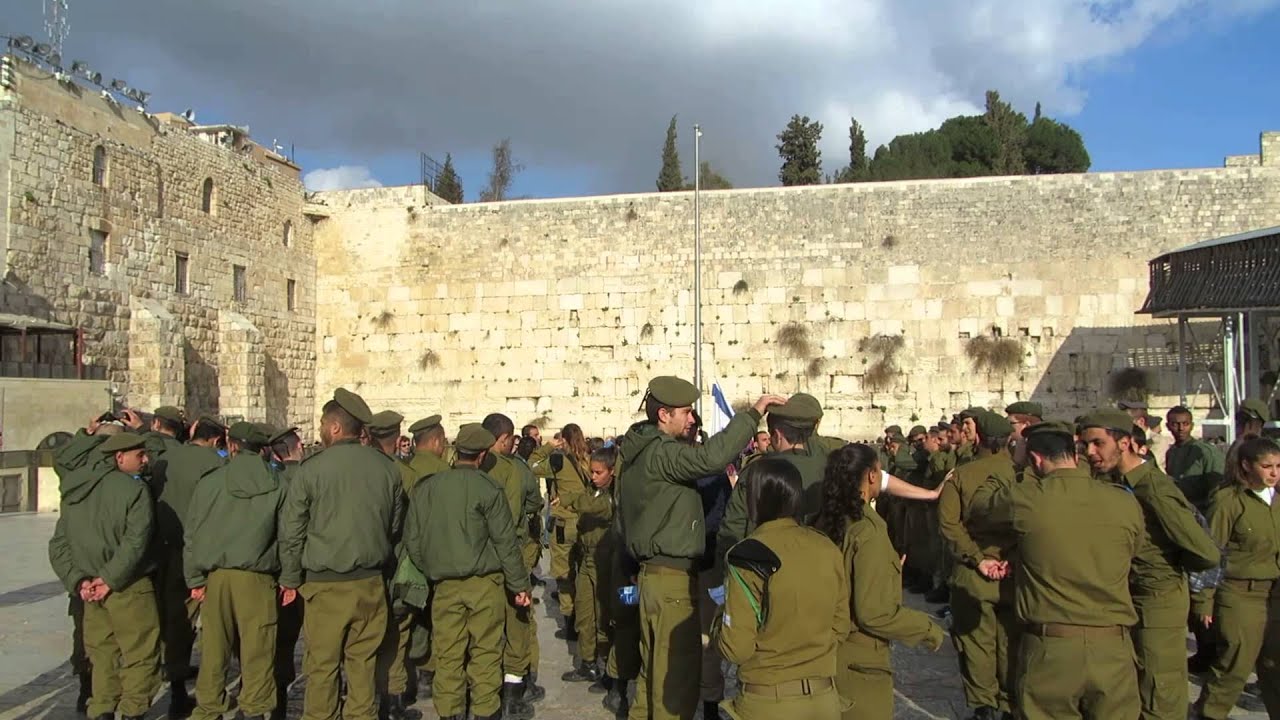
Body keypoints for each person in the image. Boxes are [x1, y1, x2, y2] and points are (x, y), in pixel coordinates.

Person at [618, 376, 786, 720]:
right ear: (664, 415)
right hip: (672, 582)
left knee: (652, 678)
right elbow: (712, 458)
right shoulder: (662, 453)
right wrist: (753, 414)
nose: (693, 418)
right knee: (675, 684)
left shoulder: (637, 453)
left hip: (652, 579)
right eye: (686, 412)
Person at [967, 420, 1144, 719]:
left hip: (1053, 647)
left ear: (1034, 459)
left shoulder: (1026, 499)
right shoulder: (1123, 501)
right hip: (1114, 647)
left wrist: (1013, 466)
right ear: (1076, 455)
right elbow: (1133, 550)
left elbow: (981, 508)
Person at [1080, 409, 1220, 720]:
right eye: (1085, 445)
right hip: (1131, 596)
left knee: (1160, 694)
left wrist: (1165, 569)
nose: (1090, 452)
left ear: (1126, 443)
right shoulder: (1116, 482)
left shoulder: (1153, 488)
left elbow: (1205, 552)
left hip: (1158, 601)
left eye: (1097, 443)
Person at [278, 388, 405, 720]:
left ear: (334, 428)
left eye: (322, 422)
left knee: (322, 668)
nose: (320, 428)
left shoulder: (311, 469)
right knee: (362, 667)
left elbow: (292, 531)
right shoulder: (387, 468)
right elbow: (394, 526)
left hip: (325, 586)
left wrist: (290, 577)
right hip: (370, 584)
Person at [404, 424, 532, 720]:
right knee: (486, 654)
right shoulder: (488, 488)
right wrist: (519, 585)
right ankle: (485, 711)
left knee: (448, 656)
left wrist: (432, 567)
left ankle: (450, 713)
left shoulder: (429, 488)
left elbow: (413, 540)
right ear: (483, 454)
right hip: (485, 584)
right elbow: (505, 543)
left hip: (445, 585)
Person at [812, 444, 945, 720]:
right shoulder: (868, 531)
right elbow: (875, 613)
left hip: (825, 652)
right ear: (872, 475)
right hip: (859, 662)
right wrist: (927, 628)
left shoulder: (824, 520)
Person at [714, 457, 848, 719]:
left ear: (755, 499)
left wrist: (718, 619)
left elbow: (736, 647)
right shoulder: (827, 548)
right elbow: (840, 626)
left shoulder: (747, 555)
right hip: (823, 700)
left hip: (768, 701)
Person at [48, 431, 162, 720]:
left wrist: (79, 580)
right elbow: (135, 542)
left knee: (102, 656)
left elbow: (59, 544)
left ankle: (101, 710)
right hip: (128, 586)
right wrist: (110, 579)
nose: (145, 460)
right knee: (140, 653)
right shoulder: (133, 490)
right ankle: (133, 711)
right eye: (139, 455)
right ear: (119, 457)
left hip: (90, 590)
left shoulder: (74, 491)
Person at [183, 422, 286, 720]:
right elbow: (288, 536)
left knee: (214, 650)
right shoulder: (278, 483)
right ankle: (253, 710)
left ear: (232, 445)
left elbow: (192, 534)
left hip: (216, 577)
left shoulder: (210, 482)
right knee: (258, 648)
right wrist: (289, 577)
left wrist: (195, 578)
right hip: (259, 578)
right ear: (262, 449)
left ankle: (208, 708)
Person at [937, 409, 1018, 720]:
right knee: (1010, 639)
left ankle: (984, 705)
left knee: (975, 642)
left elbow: (949, 525)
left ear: (980, 437)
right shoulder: (1021, 474)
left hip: (973, 573)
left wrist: (977, 558)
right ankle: (1010, 704)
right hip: (1012, 572)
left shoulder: (962, 475)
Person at [1191, 437, 1280, 719]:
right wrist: (1204, 601)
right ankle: (1209, 714)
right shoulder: (1228, 501)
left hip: (1275, 595)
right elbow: (1209, 553)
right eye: (1267, 466)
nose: (1274, 473)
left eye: (1278, 466)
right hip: (1240, 594)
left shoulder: (1277, 500)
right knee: (1235, 664)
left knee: (1275, 665)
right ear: (1246, 466)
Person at [150, 415, 227, 717]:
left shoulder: (164, 459)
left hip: (170, 552)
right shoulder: (218, 466)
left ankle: (177, 690)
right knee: (213, 627)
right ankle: (211, 691)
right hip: (207, 556)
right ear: (217, 441)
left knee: (176, 621)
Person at [481, 412, 544, 712]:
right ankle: (514, 697)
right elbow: (534, 502)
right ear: (505, 440)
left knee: (484, 630)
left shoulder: (470, 466)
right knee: (519, 625)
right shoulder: (516, 470)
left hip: (480, 560)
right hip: (513, 556)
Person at [367, 410, 428, 720]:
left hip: (360, 570)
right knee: (395, 635)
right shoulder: (404, 475)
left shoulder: (360, 469)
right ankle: (392, 700)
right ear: (397, 437)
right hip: (394, 565)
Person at [563, 445, 619, 687]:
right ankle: (588, 663)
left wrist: (566, 499)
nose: (594, 477)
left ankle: (609, 667)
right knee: (584, 612)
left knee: (603, 615)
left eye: (599, 473)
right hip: (587, 557)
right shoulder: (592, 490)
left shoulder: (612, 496)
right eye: (592, 472)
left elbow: (592, 507)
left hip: (604, 559)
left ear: (612, 472)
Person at [267, 426, 304, 719]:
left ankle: (269, 697)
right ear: (298, 446)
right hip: (303, 572)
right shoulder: (308, 477)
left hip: (272, 572)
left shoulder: (272, 480)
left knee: (270, 639)